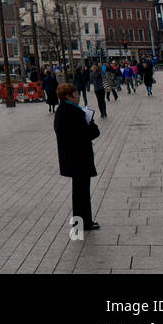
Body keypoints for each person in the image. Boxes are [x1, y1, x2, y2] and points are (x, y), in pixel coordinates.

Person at [54, 82, 100, 232]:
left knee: (78, 191)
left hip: (71, 157)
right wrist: (90, 122)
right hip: (80, 157)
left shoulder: (61, 110)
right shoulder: (75, 113)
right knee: (82, 192)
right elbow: (90, 133)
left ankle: (79, 222)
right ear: (68, 96)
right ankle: (84, 223)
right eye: (76, 94)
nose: (78, 96)